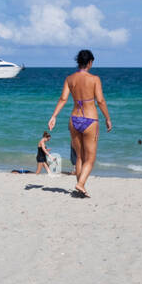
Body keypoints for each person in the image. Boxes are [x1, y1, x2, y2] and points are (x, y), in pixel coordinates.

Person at [48, 49, 111, 198]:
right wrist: (107, 118)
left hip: (74, 119)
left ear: (78, 62)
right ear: (89, 62)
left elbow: (63, 99)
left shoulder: (70, 79)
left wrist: (54, 116)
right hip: (90, 120)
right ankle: (80, 184)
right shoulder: (95, 79)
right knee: (90, 158)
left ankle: (80, 189)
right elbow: (100, 101)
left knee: (80, 157)